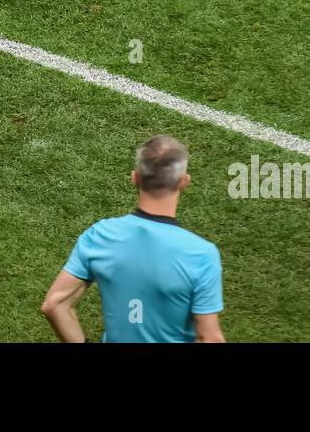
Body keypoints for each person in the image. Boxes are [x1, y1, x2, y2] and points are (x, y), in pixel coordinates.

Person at [41, 135, 225, 342]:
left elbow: (54, 305)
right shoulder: (200, 254)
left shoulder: (99, 236)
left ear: (135, 178)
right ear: (184, 182)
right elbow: (209, 337)